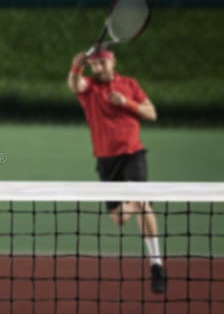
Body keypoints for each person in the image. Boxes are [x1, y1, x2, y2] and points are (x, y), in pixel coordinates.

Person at [67, 47, 165, 294]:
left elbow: (151, 113)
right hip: (106, 160)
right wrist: (76, 65)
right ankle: (139, 200)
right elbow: (74, 84)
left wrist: (126, 102)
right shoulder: (89, 88)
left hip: (133, 153)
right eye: (94, 64)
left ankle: (156, 264)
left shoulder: (129, 84)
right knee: (119, 218)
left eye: (102, 63)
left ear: (113, 62)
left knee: (142, 203)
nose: (98, 67)